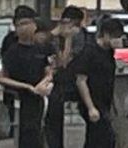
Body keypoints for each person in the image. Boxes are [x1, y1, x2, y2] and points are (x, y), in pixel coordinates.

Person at [0, 9, 49, 148]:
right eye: (21, 24)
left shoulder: (40, 49)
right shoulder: (13, 51)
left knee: (37, 133)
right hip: (18, 99)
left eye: (28, 23)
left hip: (37, 98)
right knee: (23, 134)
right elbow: (1, 78)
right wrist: (26, 86)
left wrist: (43, 84)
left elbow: (49, 72)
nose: (25, 27)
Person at [66, 17, 121, 148]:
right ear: (106, 34)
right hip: (92, 102)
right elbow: (81, 80)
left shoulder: (109, 53)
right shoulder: (90, 52)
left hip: (104, 102)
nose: (118, 40)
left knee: (101, 139)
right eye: (116, 36)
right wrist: (90, 107)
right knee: (101, 138)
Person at [44, 8, 86, 148]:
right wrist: (54, 36)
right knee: (53, 118)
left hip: (75, 81)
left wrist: (68, 39)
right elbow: (44, 43)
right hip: (56, 82)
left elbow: (65, 62)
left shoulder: (80, 37)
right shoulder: (55, 37)